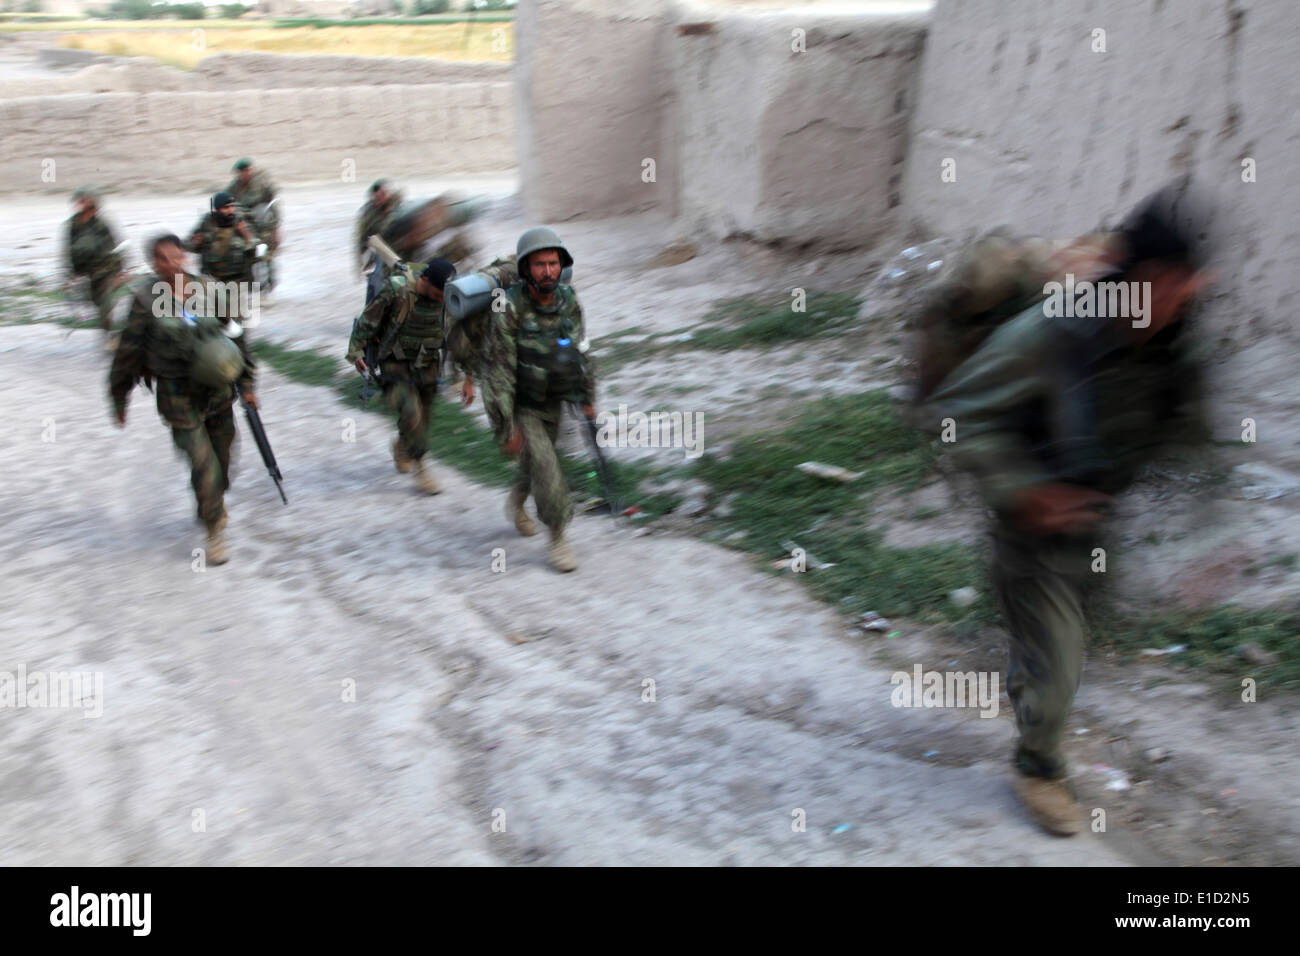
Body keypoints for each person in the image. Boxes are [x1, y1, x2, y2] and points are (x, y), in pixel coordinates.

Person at [924, 189, 1211, 835]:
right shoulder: (1053, 334)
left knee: (1078, 629)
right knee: (1060, 658)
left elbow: (1197, 436)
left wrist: (1211, 534)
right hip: (1032, 520)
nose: (1172, 300)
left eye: (1184, 286)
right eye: (1160, 284)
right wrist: (1026, 491)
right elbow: (950, 414)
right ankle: (1039, 766)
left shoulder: (1177, 346)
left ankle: (1031, 669)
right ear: (1131, 278)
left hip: (1096, 519)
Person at [109, 234, 258, 565]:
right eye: (162, 259)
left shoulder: (212, 291)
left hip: (218, 393)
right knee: (203, 464)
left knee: (223, 462)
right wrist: (119, 397)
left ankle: (210, 501)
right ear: (154, 264)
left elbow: (239, 338)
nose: (171, 263)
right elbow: (127, 353)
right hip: (177, 395)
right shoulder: (147, 301)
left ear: (185, 257)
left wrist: (247, 384)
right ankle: (214, 530)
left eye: (176, 256)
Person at [479, 228, 596, 573]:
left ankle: (516, 500)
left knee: (536, 464)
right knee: (547, 467)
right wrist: (505, 425)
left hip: (555, 398)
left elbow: (581, 350)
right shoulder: (507, 305)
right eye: (540, 264)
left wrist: (588, 396)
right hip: (522, 404)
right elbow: (496, 370)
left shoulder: (570, 301)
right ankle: (558, 536)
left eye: (554, 263)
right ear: (526, 269)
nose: (548, 271)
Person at [346, 257, 467, 495]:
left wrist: (464, 371)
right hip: (394, 365)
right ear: (424, 280)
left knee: (424, 416)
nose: (442, 298)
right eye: (438, 292)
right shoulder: (397, 290)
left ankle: (402, 444)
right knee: (412, 413)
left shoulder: (448, 297)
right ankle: (421, 467)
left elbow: (456, 336)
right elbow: (367, 321)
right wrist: (355, 351)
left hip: (428, 364)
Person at [64, 185, 125, 341]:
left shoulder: (101, 224)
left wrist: (120, 272)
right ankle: (110, 331)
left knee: (105, 305)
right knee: (97, 303)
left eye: (86, 201)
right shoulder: (72, 225)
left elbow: (116, 246)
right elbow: (68, 252)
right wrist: (69, 277)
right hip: (89, 273)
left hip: (106, 270)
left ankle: (110, 337)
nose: (82, 204)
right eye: (81, 201)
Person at [227, 158, 279, 289]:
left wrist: (276, 230)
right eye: (241, 172)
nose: (244, 174)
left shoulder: (262, 185)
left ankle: (269, 286)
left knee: (266, 256)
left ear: (251, 170)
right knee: (247, 256)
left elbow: (273, 205)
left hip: (263, 225)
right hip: (245, 227)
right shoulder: (233, 188)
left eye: (246, 171)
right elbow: (226, 207)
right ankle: (251, 287)